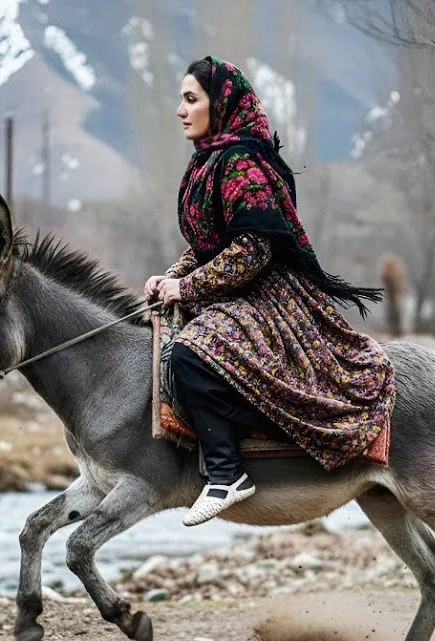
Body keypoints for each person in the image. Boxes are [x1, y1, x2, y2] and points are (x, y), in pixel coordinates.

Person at [144, 57, 395, 527]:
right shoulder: (209, 160)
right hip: (233, 291)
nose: (180, 109)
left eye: (191, 99)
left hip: (269, 297)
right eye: (181, 99)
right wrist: (171, 275)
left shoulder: (242, 163)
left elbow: (252, 251)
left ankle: (227, 473)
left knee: (192, 354)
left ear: (219, 106)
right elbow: (207, 242)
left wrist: (187, 286)